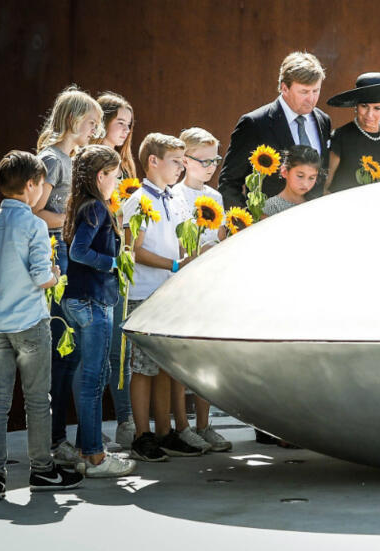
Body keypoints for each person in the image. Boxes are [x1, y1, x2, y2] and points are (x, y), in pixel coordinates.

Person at [0, 150, 84, 500]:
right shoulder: (34, 225)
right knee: (37, 400)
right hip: (28, 323)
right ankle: (42, 470)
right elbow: (40, 277)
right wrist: (55, 274)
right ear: (32, 185)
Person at [121, 133, 203, 461]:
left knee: (166, 367)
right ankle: (142, 435)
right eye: (175, 162)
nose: (181, 168)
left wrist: (189, 257)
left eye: (183, 162)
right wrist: (175, 264)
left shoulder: (173, 197)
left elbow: (181, 240)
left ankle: (165, 432)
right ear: (153, 161)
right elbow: (134, 249)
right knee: (143, 368)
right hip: (144, 294)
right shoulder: (139, 199)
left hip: (168, 293)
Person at [35, 85, 103, 468]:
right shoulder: (52, 159)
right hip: (56, 255)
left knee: (72, 350)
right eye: (92, 122)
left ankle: (61, 436)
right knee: (63, 349)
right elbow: (35, 210)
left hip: (71, 254)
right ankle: (55, 438)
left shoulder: (72, 159)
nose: (96, 129)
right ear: (74, 119)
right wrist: (76, 220)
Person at [62, 145, 138, 477]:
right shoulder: (94, 207)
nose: (118, 181)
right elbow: (79, 251)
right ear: (100, 176)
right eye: (115, 175)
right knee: (95, 378)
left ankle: (86, 449)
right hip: (92, 300)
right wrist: (113, 263)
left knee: (94, 375)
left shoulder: (84, 204)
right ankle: (95, 457)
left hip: (82, 299)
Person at [169, 128, 232, 453]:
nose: (210, 167)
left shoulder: (215, 197)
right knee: (181, 361)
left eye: (214, 160)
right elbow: (176, 242)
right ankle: (182, 426)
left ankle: (204, 425)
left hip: (209, 285)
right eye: (203, 161)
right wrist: (197, 251)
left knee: (207, 358)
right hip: (183, 285)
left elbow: (218, 235)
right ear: (184, 161)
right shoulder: (175, 196)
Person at [219, 51, 330, 208]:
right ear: (284, 88)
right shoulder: (254, 124)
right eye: (304, 92)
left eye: (316, 91)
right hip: (270, 219)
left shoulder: (323, 120)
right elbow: (229, 183)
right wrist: (248, 219)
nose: (311, 99)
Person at [91, 91, 136, 451]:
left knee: (121, 348)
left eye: (128, 125)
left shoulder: (127, 166)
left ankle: (127, 421)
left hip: (122, 262)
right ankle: (88, 429)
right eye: (119, 122)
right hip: (94, 263)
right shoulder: (88, 162)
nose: (124, 130)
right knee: (92, 350)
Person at [324, 72, 380, 194]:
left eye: (377, 108)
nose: (369, 115)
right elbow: (326, 184)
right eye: (364, 106)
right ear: (356, 106)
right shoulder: (341, 136)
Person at [263, 145, 321, 217]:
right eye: (300, 176)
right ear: (285, 172)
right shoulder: (271, 207)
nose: (305, 184)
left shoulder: (318, 203)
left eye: (311, 178)